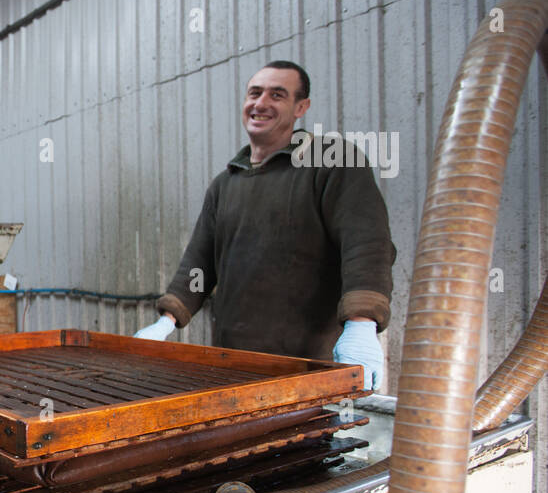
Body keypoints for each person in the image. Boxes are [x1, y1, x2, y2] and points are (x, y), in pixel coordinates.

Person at [134, 61, 395, 390]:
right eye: (254, 93)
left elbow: (367, 244)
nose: (261, 103)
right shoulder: (226, 184)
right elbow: (198, 264)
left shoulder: (332, 161)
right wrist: (166, 321)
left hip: (310, 368)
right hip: (233, 365)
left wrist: (362, 324)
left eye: (277, 95)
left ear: (301, 107)